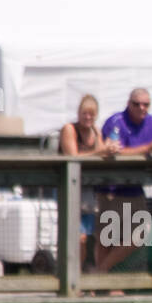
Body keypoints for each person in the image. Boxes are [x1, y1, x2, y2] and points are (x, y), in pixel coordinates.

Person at [95, 88, 152, 273]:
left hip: (134, 189)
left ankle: (101, 273)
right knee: (105, 238)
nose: (141, 108)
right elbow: (112, 152)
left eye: (146, 104)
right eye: (136, 104)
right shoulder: (116, 122)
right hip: (110, 188)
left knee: (140, 234)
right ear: (128, 103)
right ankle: (101, 284)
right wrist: (148, 147)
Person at [58, 94, 112, 271]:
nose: (87, 117)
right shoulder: (70, 129)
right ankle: (73, 275)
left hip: (91, 191)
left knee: (92, 237)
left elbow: (103, 154)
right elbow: (72, 156)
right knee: (78, 236)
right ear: (78, 113)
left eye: (91, 114)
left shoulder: (96, 132)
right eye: (84, 113)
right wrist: (99, 152)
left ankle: (88, 276)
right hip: (71, 189)